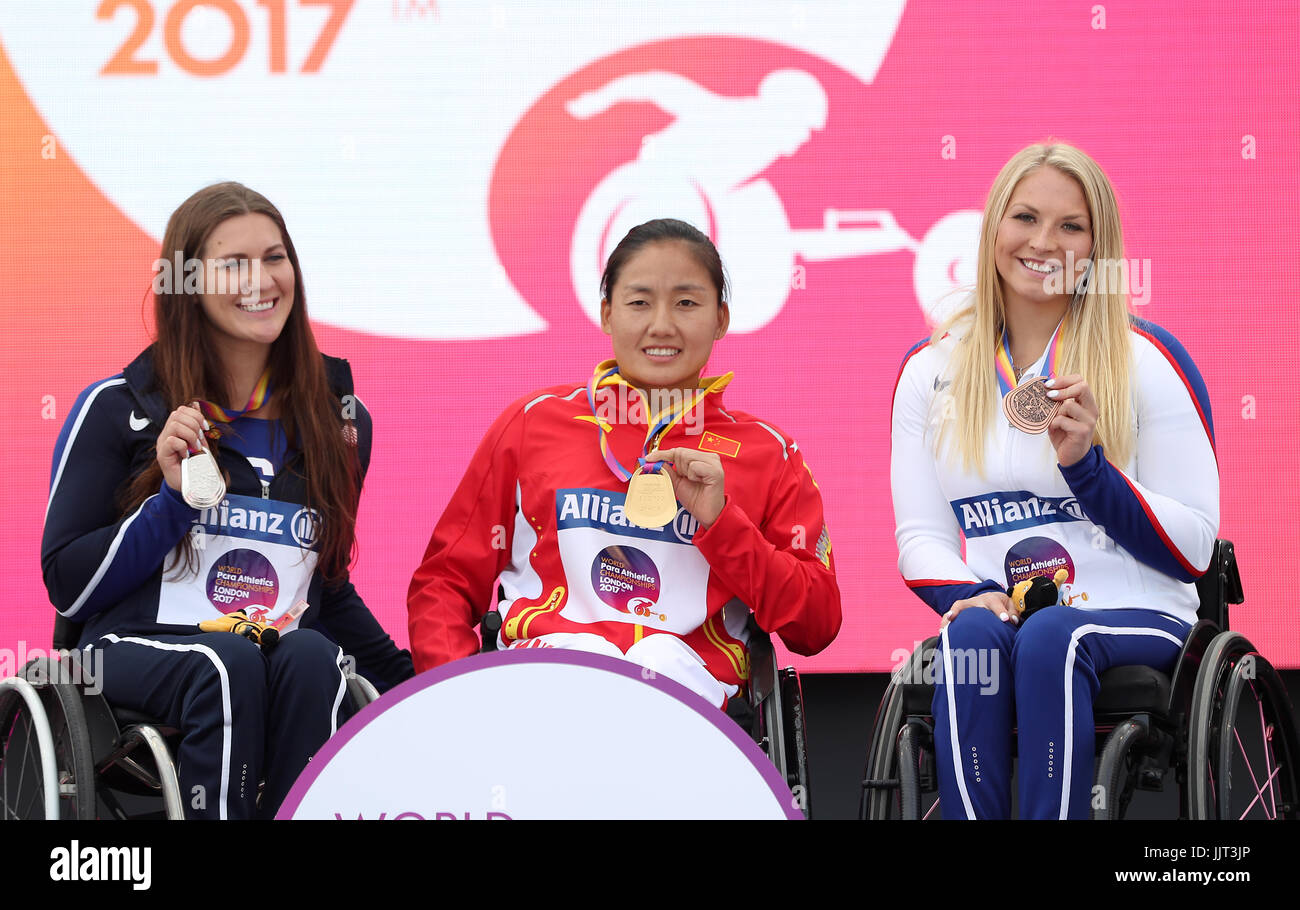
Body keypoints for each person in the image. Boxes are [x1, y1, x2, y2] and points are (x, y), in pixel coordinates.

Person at [41, 182, 413, 819]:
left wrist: (417, 682)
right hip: (131, 650)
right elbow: (69, 588)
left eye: (274, 257)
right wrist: (173, 503)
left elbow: (325, 589)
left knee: (313, 653)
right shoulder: (120, 407)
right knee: (227, 660)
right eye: (232, 264)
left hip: (264, 647)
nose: (260, 280)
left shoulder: (341, 423)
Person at [890, 141, 1219, 819]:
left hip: (1138, 613)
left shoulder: (1148, 359)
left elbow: (1194, 548)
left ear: (1098, 246)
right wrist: (975, 595)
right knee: (968, 638)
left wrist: (1088, 469)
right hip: (1008, 615)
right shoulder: (930, 370)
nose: (1044, 242)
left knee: (1052, 634)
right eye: (1025, 218)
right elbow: (920, 536)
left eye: (1070, 226)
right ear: (993, 231)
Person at [408, 218, 841, 708]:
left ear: (721, 318)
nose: (662, 324)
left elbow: (816, 625)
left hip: (683, 706)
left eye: (686, 302)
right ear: (607, 313)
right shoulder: (533, 425)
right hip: (541, 697)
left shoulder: (768, 453)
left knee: (660, 660)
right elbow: (442, 583)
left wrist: (723, 525)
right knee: (583, 655)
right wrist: (458, 697)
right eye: (639, 302)